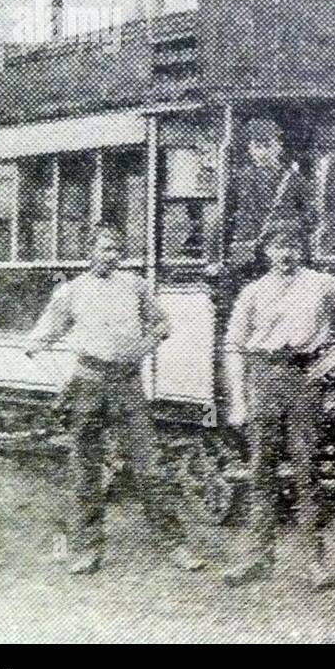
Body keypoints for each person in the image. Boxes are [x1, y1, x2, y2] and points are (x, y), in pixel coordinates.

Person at [24, 225, 204, 576]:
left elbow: (162, 325)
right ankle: (86, 550)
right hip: (89, 385)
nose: (112, 255)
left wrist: (141, 349)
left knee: (150, 467)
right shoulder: (71, 291)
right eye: (105, 249)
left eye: (117, 249)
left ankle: (176, 545)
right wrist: (65, 377)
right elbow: (37, 341)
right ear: (90, 251)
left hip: (128, 385)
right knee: (86, 469)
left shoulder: (135, 285)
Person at [221, 220, 335, 592]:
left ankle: (314, 561)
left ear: (303, 247)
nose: (285, 253)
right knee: (261, 470)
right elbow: (233, 346)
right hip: (263, 379)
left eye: (292, 244)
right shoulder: (252, 292)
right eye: (277, 245)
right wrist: (238, 400)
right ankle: (256, 558)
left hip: (304, 380)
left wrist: (334, 361)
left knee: (307, 470)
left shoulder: (323, 285)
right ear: (266, 251)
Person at [224, 116, 318, 273]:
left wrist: (285, 228)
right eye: (256, 146)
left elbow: (311, 216)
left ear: (279, 146)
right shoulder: (239, 180)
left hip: (284, 255)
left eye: (267, 145)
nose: (261, 152)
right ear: (250, 148)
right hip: (247, 256)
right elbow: (228, 215)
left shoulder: (293, 179)